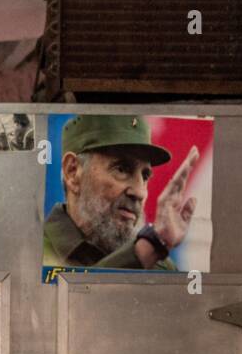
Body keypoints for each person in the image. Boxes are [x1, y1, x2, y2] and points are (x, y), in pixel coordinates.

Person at [43, 114, 199, 271]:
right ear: (73, 172)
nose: (139, 192)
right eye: (122, 169)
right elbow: (75, 292)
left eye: (145, 176)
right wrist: (147, 247)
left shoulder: (159, 267)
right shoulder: (30, 251)